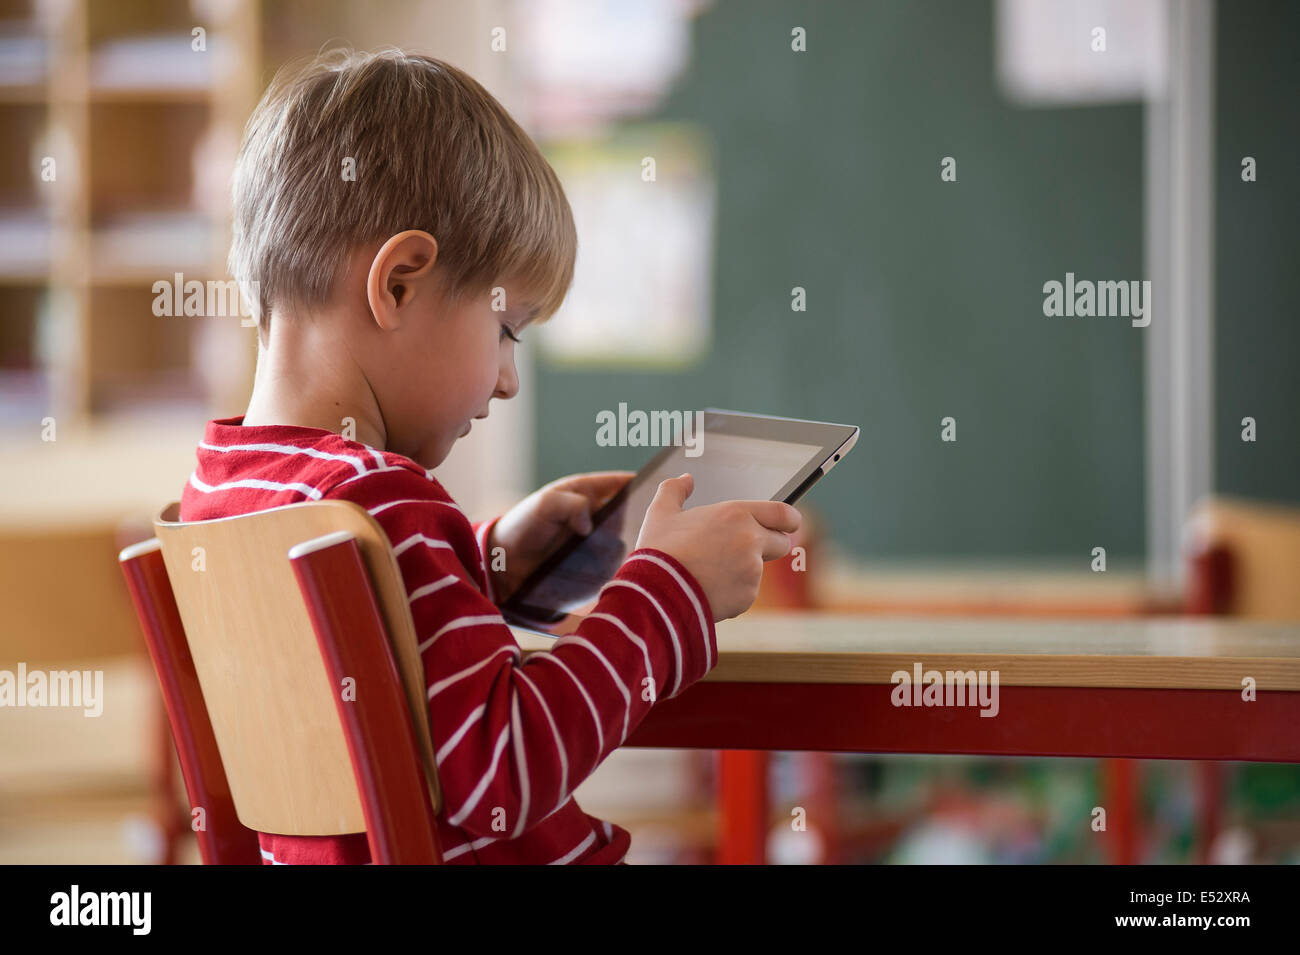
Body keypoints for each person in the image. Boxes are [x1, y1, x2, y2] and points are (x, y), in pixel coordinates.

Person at [180, 48, 800, 864]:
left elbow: (375, 648)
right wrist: (668, 594)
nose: (507, 381)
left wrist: (491, 558)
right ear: (399, 282)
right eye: (507, 331)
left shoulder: (224, 488)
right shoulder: (384, 501)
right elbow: (500, 772)